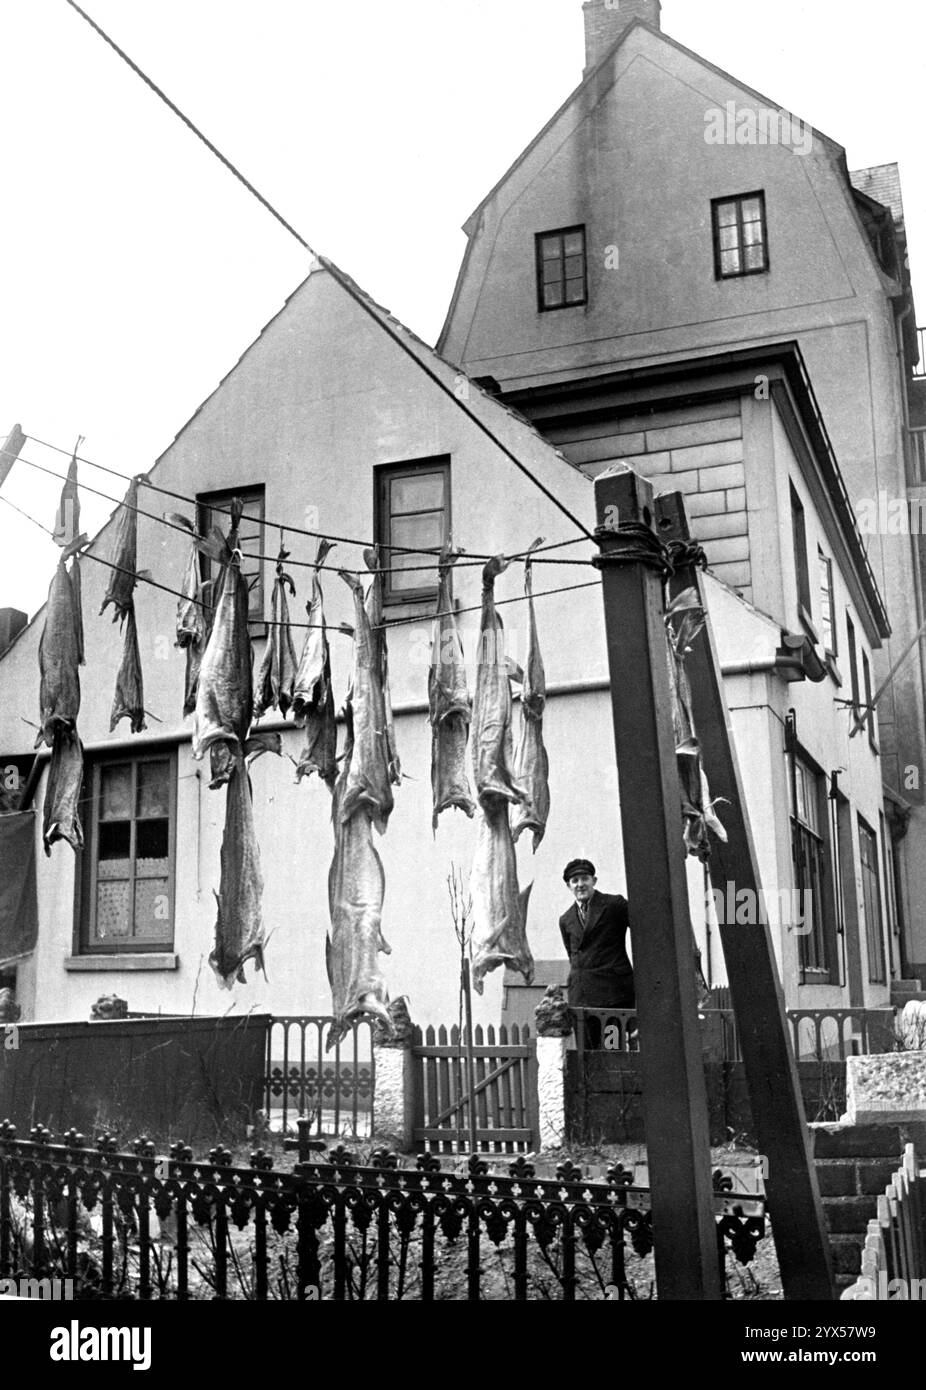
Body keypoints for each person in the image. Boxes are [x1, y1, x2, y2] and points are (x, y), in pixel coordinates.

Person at [559, 858, 635, 1049]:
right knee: (587, 1054)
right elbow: (573, 955)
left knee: (612, 1049)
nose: (580, 884)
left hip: (611, 999)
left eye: (584, 879)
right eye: (574, 881)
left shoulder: (614, 905)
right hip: (582, 998)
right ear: (568, 886)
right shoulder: (566, 919)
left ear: (594, 880)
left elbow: (642, 927)